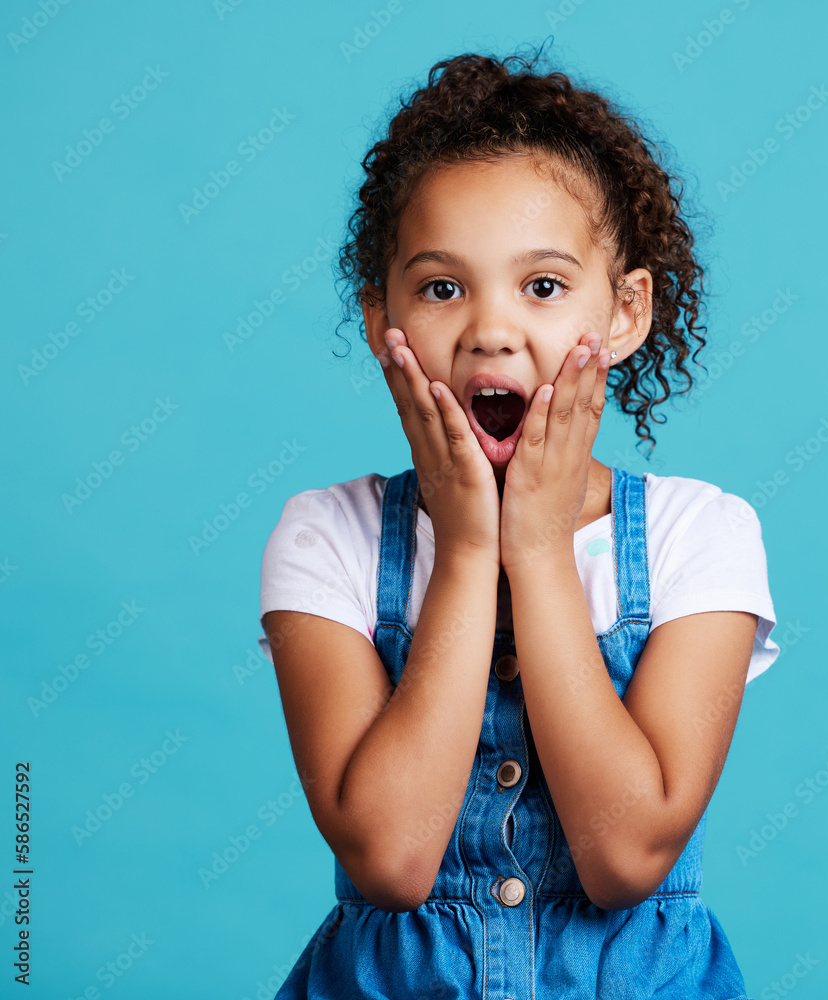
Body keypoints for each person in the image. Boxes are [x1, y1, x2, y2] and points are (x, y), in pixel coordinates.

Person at [258, 43, 780, 999]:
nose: (491, 329)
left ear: (624, 312)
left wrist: (536, 551)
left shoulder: (699, 538)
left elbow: (626, 855)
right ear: (384, 321)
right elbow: (391, 859)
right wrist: (465, 550)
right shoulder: (323, 536)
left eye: (541, 287)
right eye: (442, 287)